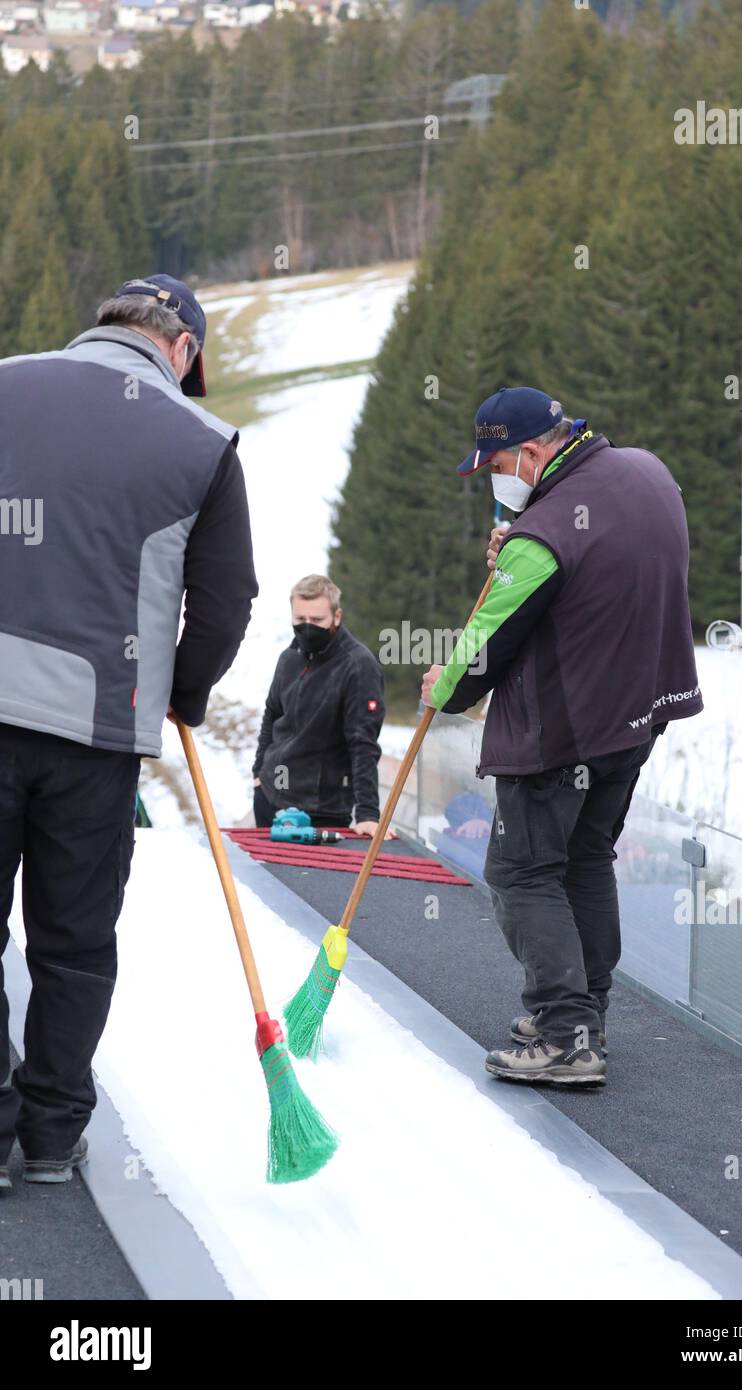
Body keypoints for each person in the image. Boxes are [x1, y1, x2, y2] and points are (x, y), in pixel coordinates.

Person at [0, 275, 257, 1186]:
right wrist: (181, 696)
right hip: (96, 730)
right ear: (181, 349)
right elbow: (225, 604)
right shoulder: (202, 441)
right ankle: (48, 1136)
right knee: (73, 942)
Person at [421, 386, 703, 1086]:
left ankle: (565, 1037)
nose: (495, 477)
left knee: (522, 872)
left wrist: (444, 689)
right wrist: (520, 544)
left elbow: (482, 650)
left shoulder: (541, 536)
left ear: (533, 451)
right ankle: (586, 1014)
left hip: (563, 731)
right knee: (585, 860)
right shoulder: (645, 473)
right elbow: (605, 564)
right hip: (637, 715)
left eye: (496, 463)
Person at [252, 574, 394, 838]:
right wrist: (258, 772)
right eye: (300, 620)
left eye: (317, 621)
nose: (307, 628)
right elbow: (272, 714)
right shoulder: (290, 657)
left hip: (320, 810)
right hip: (271, 795)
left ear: (336, 617)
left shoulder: (358, 666)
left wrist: (367, 814)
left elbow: (363, 743)